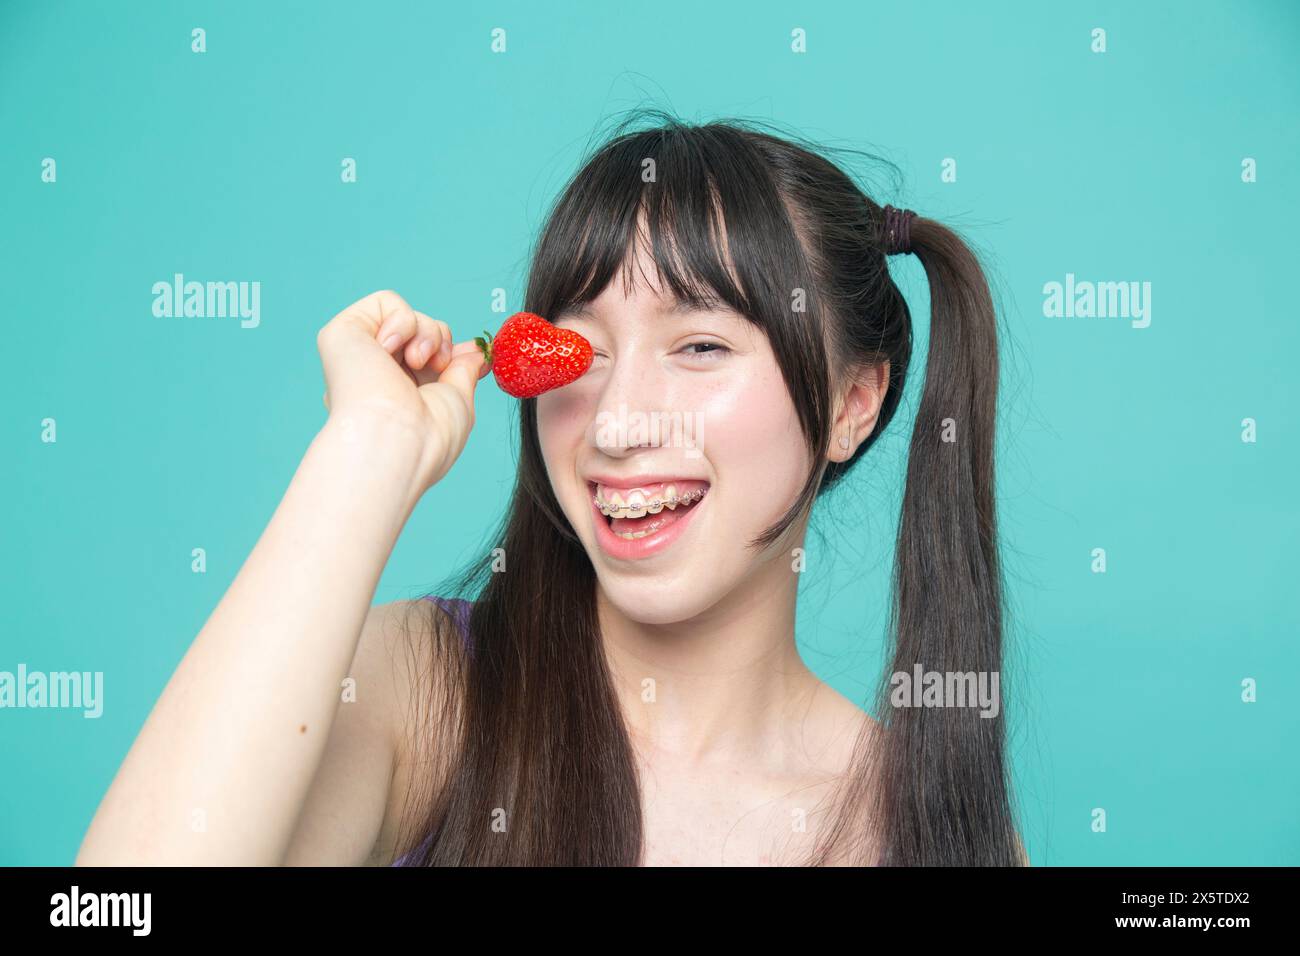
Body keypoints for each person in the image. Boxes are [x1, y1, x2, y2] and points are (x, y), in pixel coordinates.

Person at [77, 110, 1027, 867]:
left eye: (699, 347)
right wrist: (365, 452)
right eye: (584, 350)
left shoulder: (931, 838)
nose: (615, 424)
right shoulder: (422, 694)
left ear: (854, 403)